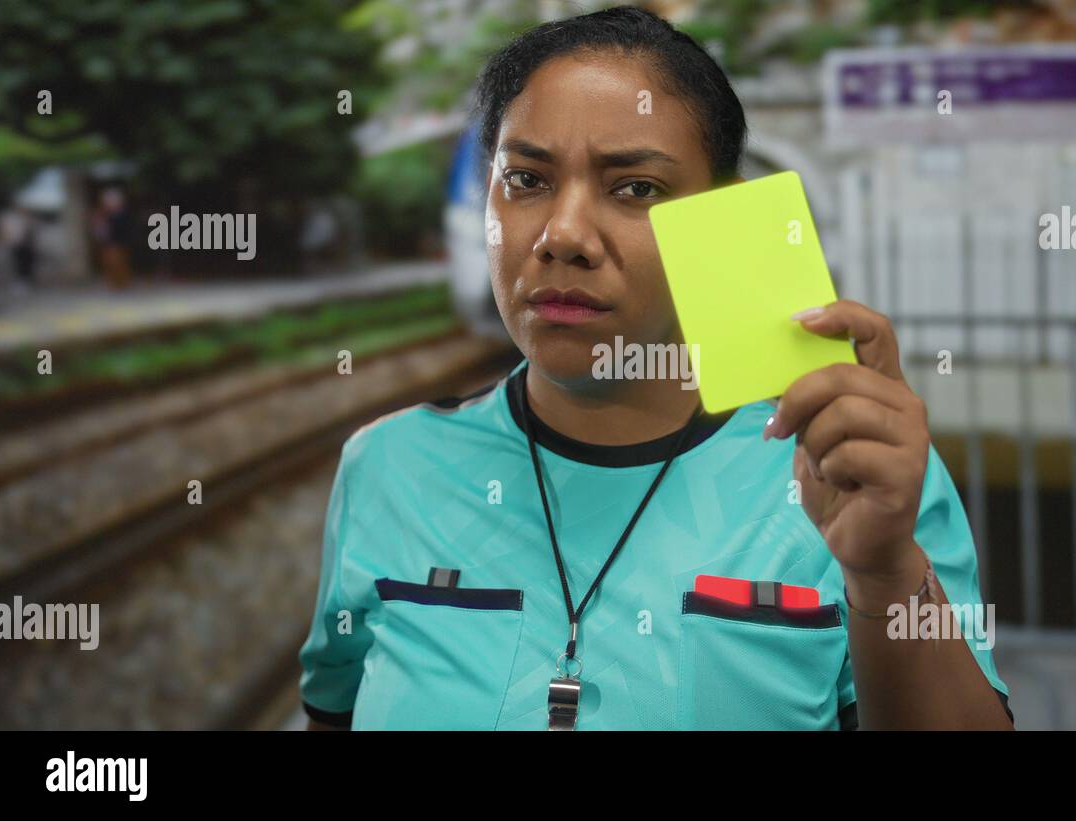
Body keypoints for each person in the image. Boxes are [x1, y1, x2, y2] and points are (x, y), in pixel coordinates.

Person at [299, 5, 1012, 731]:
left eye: (635, 187)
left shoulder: (853, 472)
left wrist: (885, 574)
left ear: (723, 224)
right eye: (526, 179)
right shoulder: (388, 467)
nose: (564, 235)